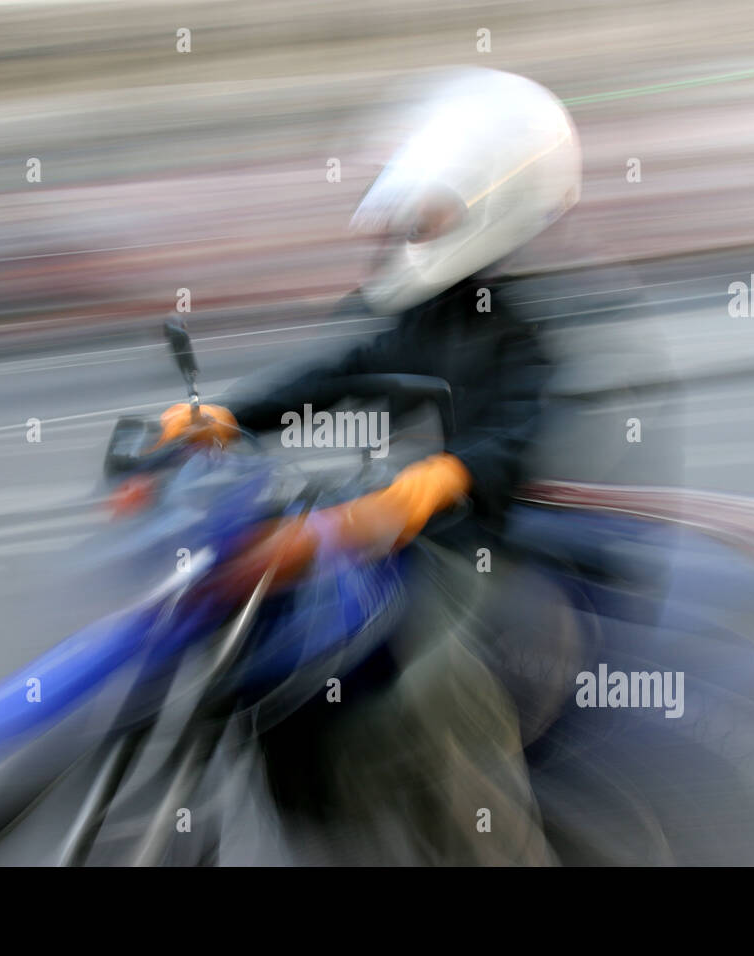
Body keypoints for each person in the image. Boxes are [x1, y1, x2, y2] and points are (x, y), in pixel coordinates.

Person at [159, 67, 586, 864]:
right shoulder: (424, 306)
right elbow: (338, 373)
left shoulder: (525, 332)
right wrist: (226, 416)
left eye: (434, 211)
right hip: (405, 539)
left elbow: (508, 439)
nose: (412, 227)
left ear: (494, 201)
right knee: (277, 675)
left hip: (488, 565)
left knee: (425, 698)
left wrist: (442, 479)